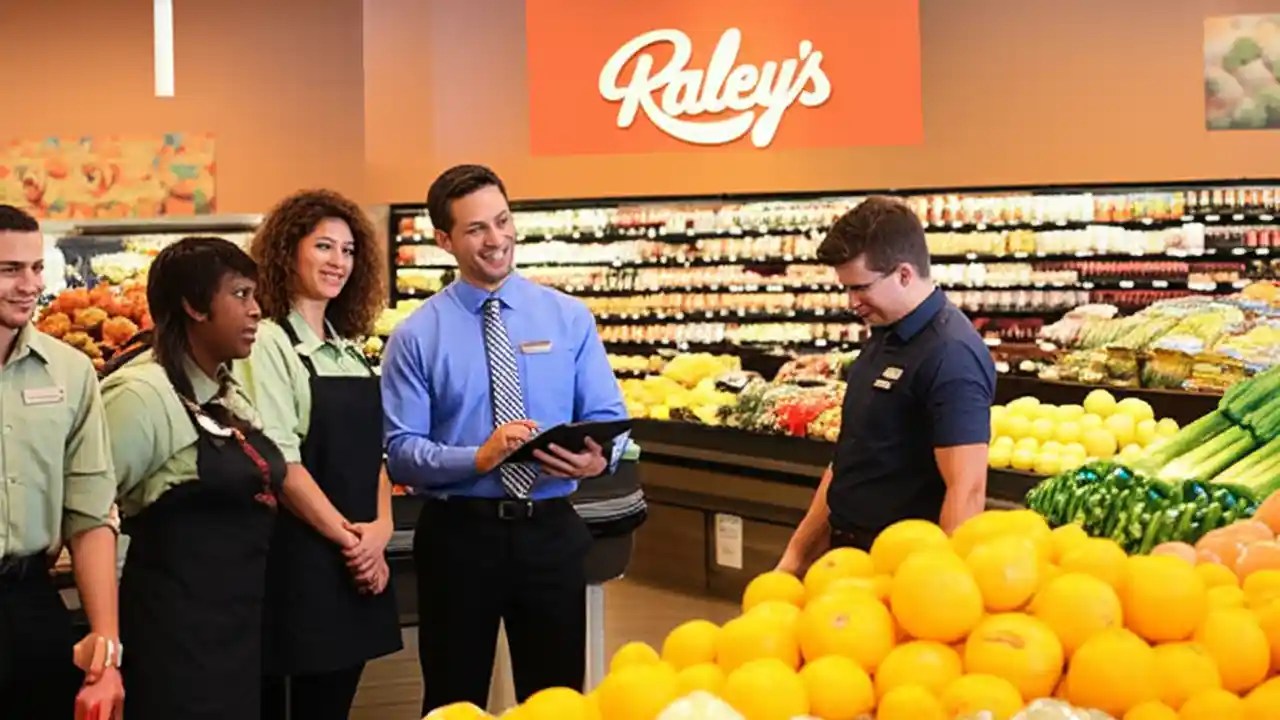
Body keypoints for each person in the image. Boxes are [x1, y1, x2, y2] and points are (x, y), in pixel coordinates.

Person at [381, 164, 628, 714]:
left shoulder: (567, 318)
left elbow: (610, 416)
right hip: (458, 539)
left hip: (552, 533)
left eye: (502, 221)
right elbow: (401, 452)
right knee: (453, 697)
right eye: (476, 230)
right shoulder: (416, 336)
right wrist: (481, 456)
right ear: (444, 239)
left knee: (556, 700)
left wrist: (596, 459)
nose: (496, 240)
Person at [101, 236, 284, 720]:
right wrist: (106, 651)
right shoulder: (140, 396)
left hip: (234, 635)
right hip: (170, 644)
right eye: (241, 295)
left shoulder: (224, 388)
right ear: (193, 305)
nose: (256, 312)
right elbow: (90, 513)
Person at [238, 189, 402, 720]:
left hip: (354, 560)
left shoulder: (348, 349)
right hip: (300, 564)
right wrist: (352, 543)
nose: (338, 262)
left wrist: (380, 532)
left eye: (349, 251)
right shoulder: (266, 343)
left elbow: (376, 455)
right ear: (288, 252)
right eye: (324, 247)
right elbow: (281, 464)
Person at [777, 196, 995, 569]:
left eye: (861, 287)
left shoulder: (951, 354)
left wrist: (938, 588)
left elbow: (968, 490)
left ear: (904, 275)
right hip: (846, 557)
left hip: (902, 570)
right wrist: (796, 555)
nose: (853, 302)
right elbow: (852, 457)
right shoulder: (886, 332)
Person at [0, 204, 125, 720]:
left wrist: (107, 650)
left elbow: (91, 514)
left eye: (35, 268)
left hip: (29, 604)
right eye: (9, 270)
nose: (29, 284)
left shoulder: (71, 373)